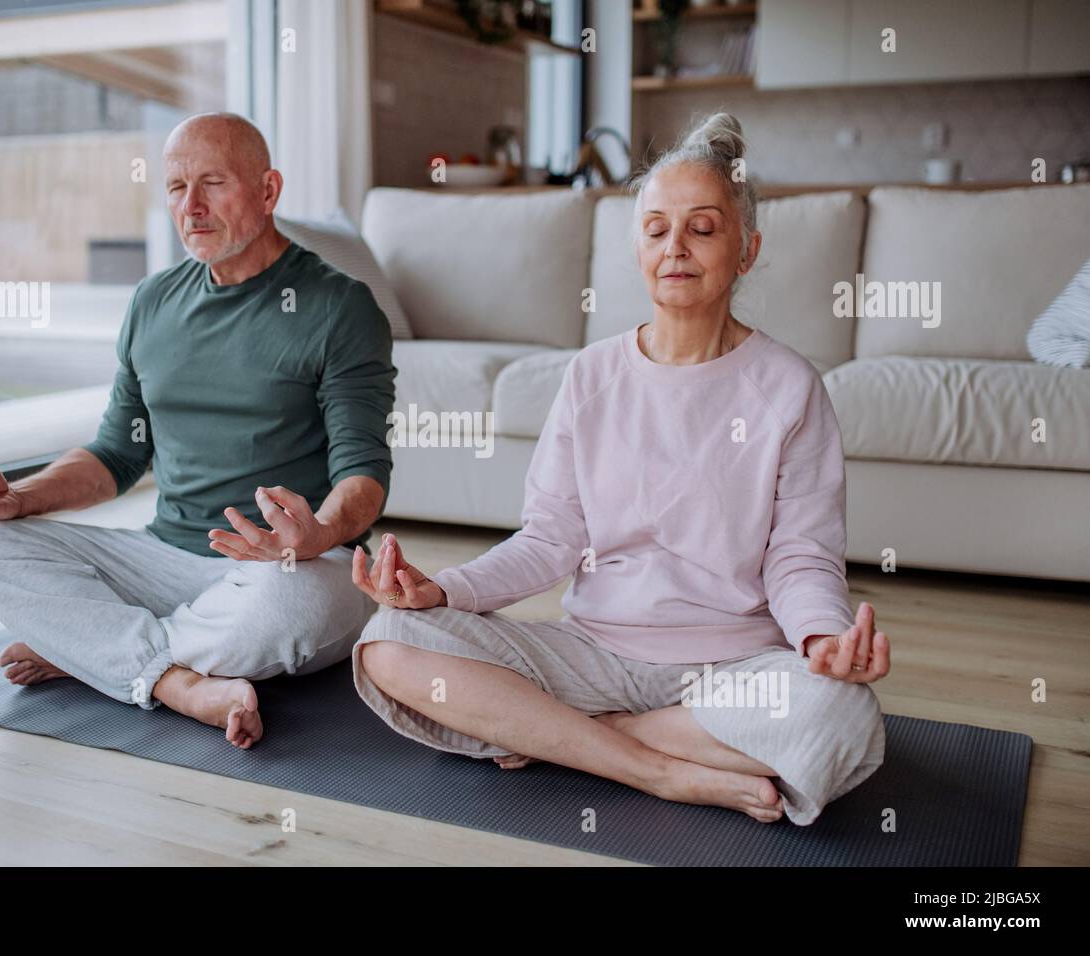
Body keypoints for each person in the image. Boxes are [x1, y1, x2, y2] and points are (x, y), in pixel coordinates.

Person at [349, 113, 889, 825]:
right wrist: (442, 591)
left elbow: (801, 555)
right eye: (657, 228)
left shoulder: (790, 388)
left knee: (840, 715)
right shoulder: (593, 375)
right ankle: (658, 770)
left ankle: (576, 740)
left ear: (747, 249)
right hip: (590, 655)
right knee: (388, 645)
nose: (677, 247)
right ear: (636, 246)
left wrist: (822, 639)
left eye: (703, 228)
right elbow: (549, 539)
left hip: (729, 672)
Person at [0, 112, 394, 749]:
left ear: (268, 191)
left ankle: (101, 653)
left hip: (284, 568)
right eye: (174, 187)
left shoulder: (338, 307)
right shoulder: (152, 302)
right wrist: (19, 498)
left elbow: (363, 474)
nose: (191, 206)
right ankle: (176, 682)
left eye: (212, 183)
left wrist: (317, 533)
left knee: (310, 605)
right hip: (164, 559)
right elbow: (116, 455)